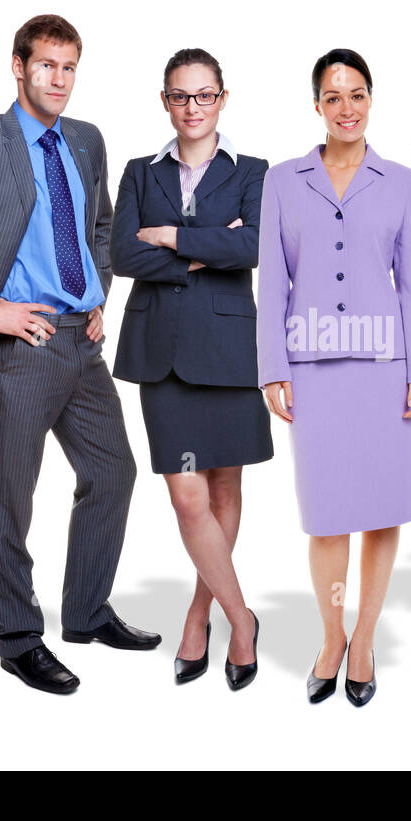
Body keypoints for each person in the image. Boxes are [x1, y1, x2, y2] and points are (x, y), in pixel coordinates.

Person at [0, 14, 158, 694]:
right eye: (47, 65)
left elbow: (103, 227)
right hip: (21, 344)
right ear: (19, 66)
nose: (59, 79)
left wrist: (100, 294)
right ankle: (20, 637)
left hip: (81, 340)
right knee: (11, 496)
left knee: (114, 473)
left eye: (70, 67)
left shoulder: (86, 140)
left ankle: (85, 611)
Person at [257, 49, 411, 707]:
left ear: (371, 100)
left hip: (384, 368)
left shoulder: (402, 183)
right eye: (333, 97)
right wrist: (272, 366)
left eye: (357, 94)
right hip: (313, 368)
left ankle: (364, 639)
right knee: (327, 514)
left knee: (382, 508)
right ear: (317, 107)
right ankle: (331, 636)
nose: (347, 108)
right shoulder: (283, 181)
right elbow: (272, 280)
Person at [111, 48, 271, 690]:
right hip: (163, 352)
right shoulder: (138, 172)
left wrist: (173, 239)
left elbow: (257, 244)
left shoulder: (252, 171)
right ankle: (243, 618)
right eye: (181, 96)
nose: (192, 108)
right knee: (186, 493)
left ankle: (199, 613)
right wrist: (211, 249)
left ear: (222, 99)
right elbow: (124, 253)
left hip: (229, 351)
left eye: (204, 96)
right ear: (165, 102)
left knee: (225, 488)